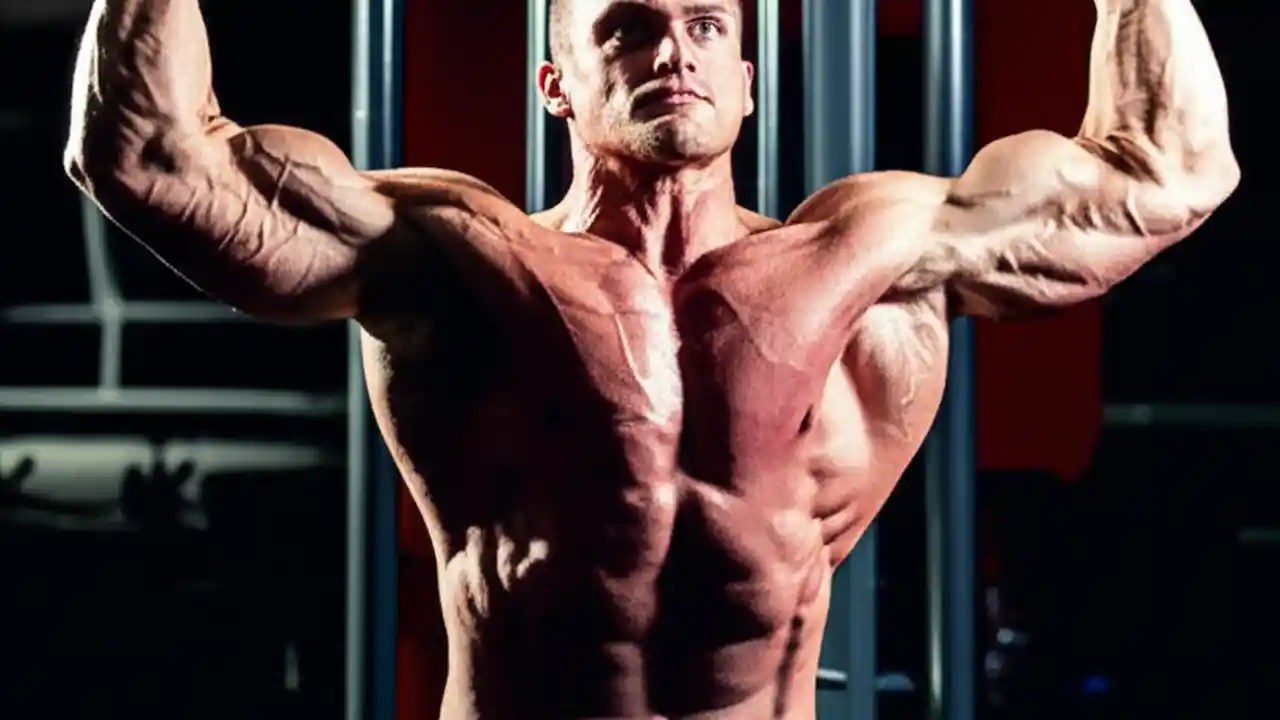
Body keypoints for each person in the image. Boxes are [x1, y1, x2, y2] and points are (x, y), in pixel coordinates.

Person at [63, 0, 1238, 717]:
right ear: (557, 83)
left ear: (746, 80)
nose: (670, 49)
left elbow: (1167, 172)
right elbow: (147, 157)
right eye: (624, 25)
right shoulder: (454, 258)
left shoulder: (875, 253)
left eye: (707, 27)